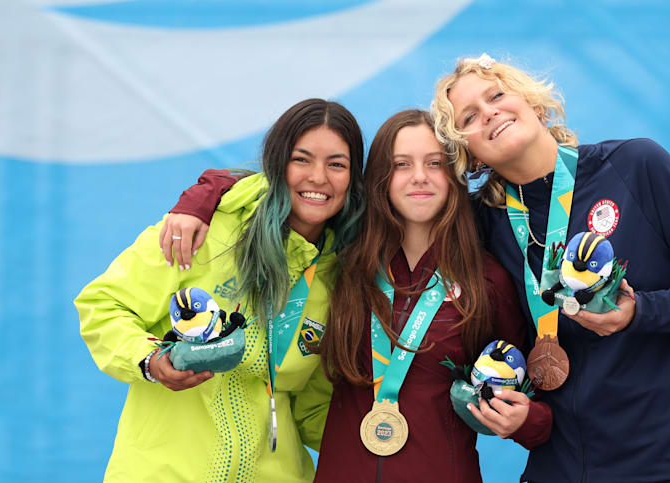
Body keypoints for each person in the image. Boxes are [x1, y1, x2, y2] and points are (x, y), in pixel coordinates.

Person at [162, 110, 553, 482]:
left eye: (435, 163)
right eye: (401, 164)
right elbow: (288, 190)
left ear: (455, 176)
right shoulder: (342, 261)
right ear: (379, 177)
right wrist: (203, 195)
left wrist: (527, 421)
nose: (419, 177)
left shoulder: (488, 280)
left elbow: (531, 393)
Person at [429, 54, 670, 482]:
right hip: (562, 467)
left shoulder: (635, 167)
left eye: (497, 95)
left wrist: (640, 313)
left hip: (669, 462)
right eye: (469, 116)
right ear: (468, 155)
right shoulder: (480, 223)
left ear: (534, 103)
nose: (489, 112)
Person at [75, 98, 366, 482]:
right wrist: (149, 361)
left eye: (337, 164)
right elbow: (103, 305)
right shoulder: (202, 230)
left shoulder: (337, 276)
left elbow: (312, 408)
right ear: (278, 163)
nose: (318, 177)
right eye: (301, 159)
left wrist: (390, 433)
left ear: (353, 178)